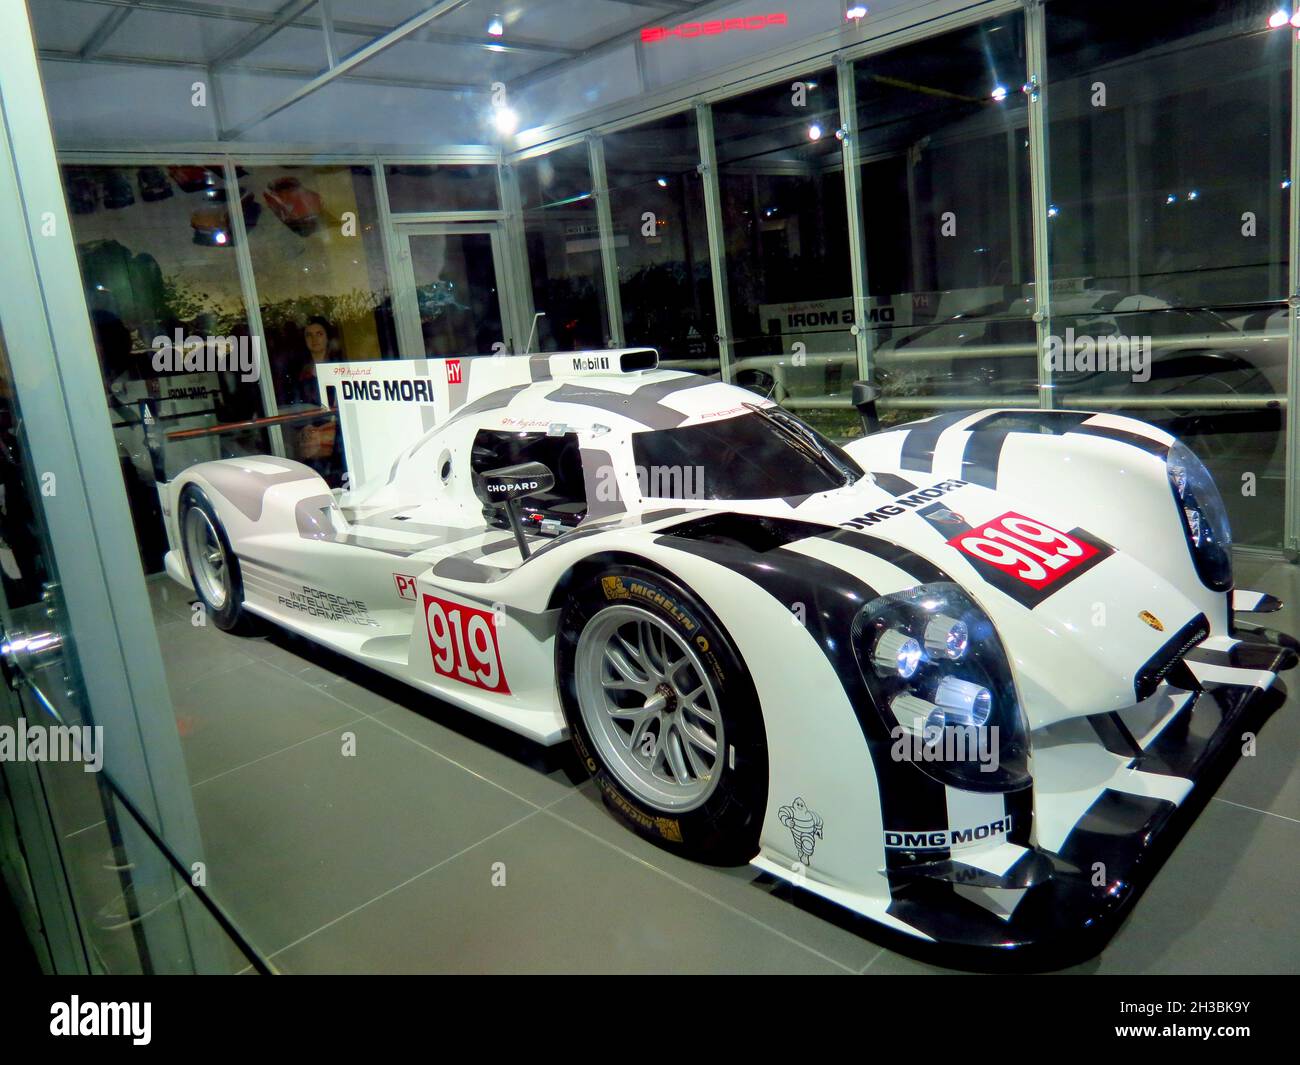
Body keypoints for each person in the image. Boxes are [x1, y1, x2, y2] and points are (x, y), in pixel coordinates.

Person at [285, 316, 343, 484]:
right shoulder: (299, 373)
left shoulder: (338, 368)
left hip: (336, 439)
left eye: (319, 334)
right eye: (308, 335)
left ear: (327, 338)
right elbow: (295, 405)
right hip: (310, 441)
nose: (314, 339)